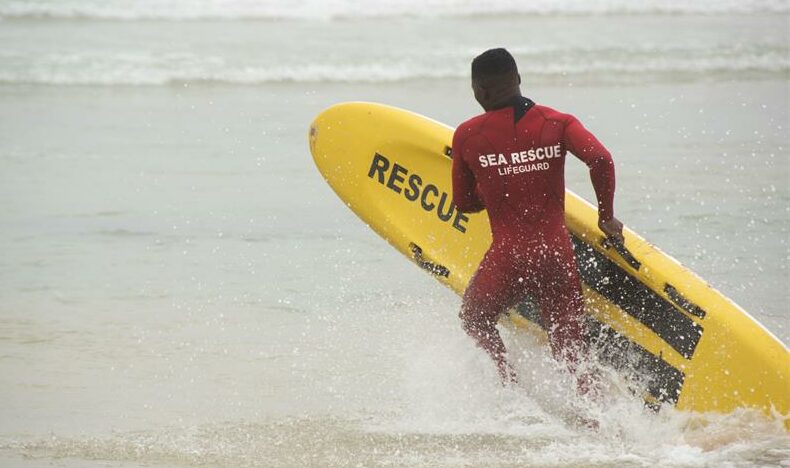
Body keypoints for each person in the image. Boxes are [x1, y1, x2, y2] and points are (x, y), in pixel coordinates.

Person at [451, 48, 624, 391]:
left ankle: (511, 389)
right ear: (517, 79)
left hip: (509, 257)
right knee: (572, 354)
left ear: (479, 92)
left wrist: (494, 187)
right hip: (557, 255)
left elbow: (464, 204)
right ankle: (599, 422)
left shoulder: (468, 135)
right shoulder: (557, 122)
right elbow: (601, 160)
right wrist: (606, 218)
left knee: (474, 318)